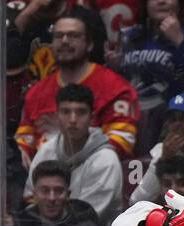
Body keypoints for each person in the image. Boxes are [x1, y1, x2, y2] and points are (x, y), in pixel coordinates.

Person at [16, 12, 141, 162]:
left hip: (96, 177)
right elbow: (24, 143)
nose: (64, 41)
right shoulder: (36, 93)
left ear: (90, 45)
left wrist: (64, 137)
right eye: (58, 36)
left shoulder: (115, 88)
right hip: (43, 180)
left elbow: (120, 144)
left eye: (73, 36)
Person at [26, 83, 123, 226]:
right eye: (65, 112)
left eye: (81, 112)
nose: (72, 120)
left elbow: (86, 218)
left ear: (92, 117)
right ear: (57, 116)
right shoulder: (47, 150)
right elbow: (30, 199)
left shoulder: (106, 160)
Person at [117, 0, 184, 149]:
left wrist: (179, 40)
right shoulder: (129, 36)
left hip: (171, 116)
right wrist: (114, 66)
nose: (161, 2)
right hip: (131, 114)